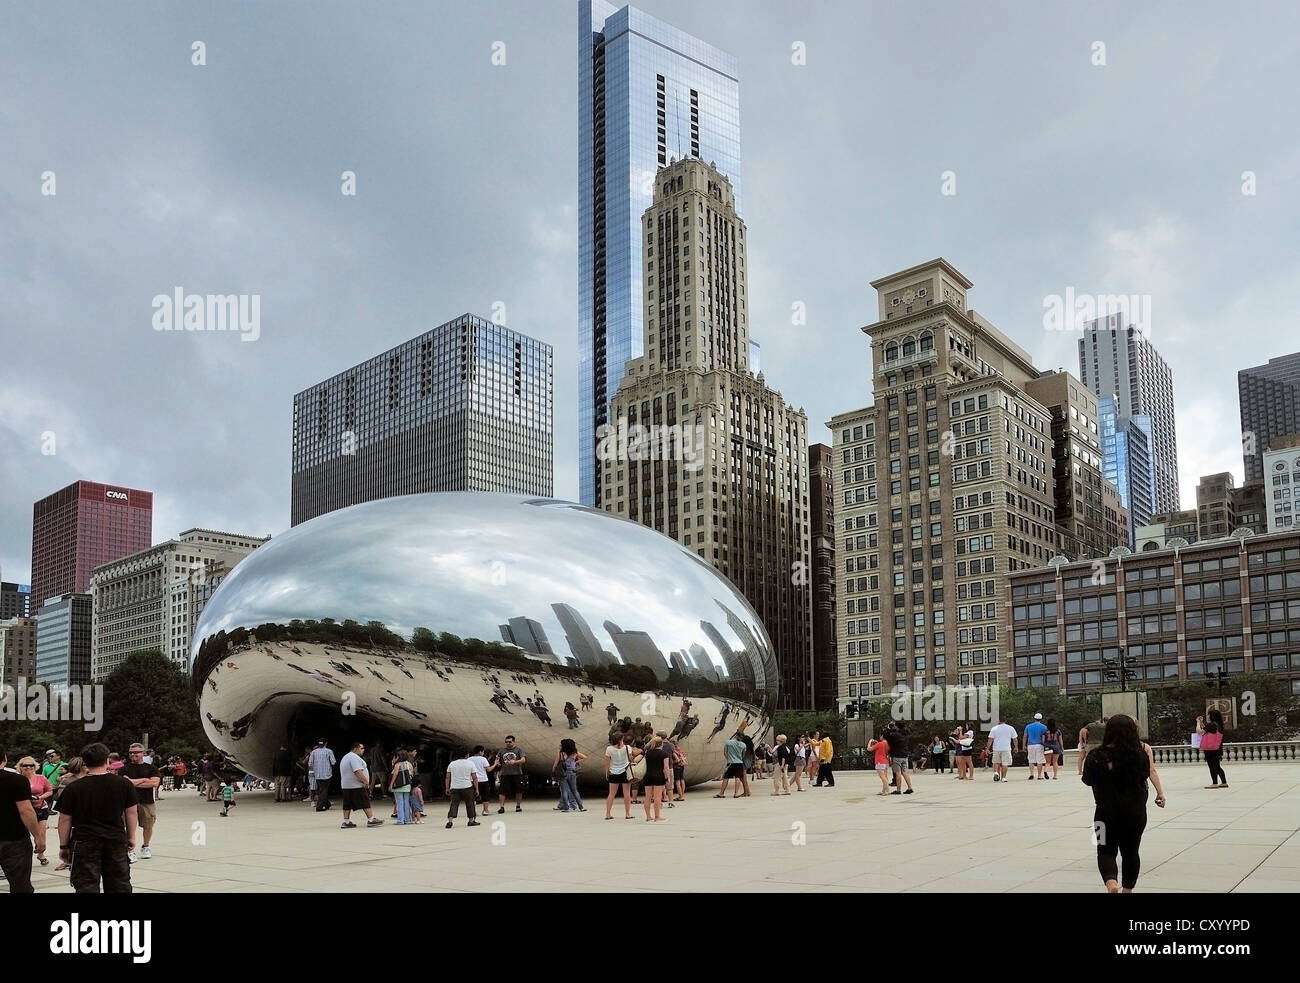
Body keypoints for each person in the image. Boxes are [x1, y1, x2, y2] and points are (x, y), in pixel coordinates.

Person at [1081, 715, 1167, 893]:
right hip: (1135, 813)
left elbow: (1088, 780)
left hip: (1104, 812)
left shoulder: (1095, 755)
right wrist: (1160, 793)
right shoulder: (1140, 755)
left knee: (1104, 851)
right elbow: (1146, 774)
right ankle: (1127, 890)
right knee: (1131, 852)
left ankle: (1111, 883)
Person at [54, 742, 138, 894]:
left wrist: (63, 845)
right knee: (119, 883)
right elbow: (131, 812)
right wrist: (131, 836)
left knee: (86, 884)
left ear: (85, 763)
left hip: (84, 840)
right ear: (107, 761)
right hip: (115, 838)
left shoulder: (74, 788)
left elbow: (65, 819)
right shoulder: (124, 784)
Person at [1, 746, 45, 892]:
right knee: (20, 885)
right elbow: (26, 810)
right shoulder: (17, 780)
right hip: (14, 839)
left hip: (13, 840)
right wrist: (38, 836)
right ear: (5, 759)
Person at [123, 743, 159, 862]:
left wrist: (132, 782)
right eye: (131, 752)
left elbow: (154, 783)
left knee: (148, 825)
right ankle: (130, 850)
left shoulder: (151, 768)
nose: (133, 754)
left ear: (143, 753)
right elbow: (124, 784)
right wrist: (143, 780)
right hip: (128, 802)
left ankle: (146, 846)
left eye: (136, 752)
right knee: (128, 827)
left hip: (147, 801)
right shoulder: (124, 769)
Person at [338, 741, 383, 828]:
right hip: (356, 785)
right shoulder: (354, 758)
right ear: (356, 749)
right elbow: (357, 771)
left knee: (347, 804)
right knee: (365, 802)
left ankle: (346, 821)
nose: (363, 750)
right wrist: (365, 782)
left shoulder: (346, 757)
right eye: (361, 748)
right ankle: (371, 819)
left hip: (346, 785)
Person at [17, 757, 53, 866]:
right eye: (25, 765)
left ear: (35, 766)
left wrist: (41, 797)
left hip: (40, 808)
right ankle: (23, 855)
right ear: (20, 767)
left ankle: (41, 853)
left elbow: (50, 790)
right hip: (24, 809)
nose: (28, 767)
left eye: (31, 765)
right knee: (23, 834)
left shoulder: (41, 778)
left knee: (41, 832)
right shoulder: (17, 779)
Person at [603, 733, 639, 820]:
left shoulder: (609, 749)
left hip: (613, 772)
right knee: (626, 794)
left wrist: (606, 773)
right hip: (625, 772)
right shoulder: (627, 747)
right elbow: (630, 759)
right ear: (622, 738)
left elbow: (607, 762)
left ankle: (608, 814)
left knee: (611, 794)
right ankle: (627, 814)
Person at [444, 748, 480, 828]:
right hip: (467, 786)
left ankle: (450, 821)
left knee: (454, 804)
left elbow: (447, 777)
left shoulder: (452, 764)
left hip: (455, 787)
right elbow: (474, 777)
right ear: (467, 755)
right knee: (470, 804)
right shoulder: (470, 764)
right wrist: (477, 789)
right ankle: (471, 820)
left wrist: (447, 788)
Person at [640, 735, 671, 822]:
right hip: (658, 776)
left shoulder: (648, 753)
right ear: (661, 744)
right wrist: (668, 777)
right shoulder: (664, 754)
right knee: (657, 797)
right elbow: (666, 767)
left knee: (647, 797)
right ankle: (657, 816)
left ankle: (648, 816)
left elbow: (645, 749)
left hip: (648, 776)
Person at [493, 736, 528, 813]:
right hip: (505, 773)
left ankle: (518, 806)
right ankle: (501, 807)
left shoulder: (519, 750)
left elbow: (523, 760)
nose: (508, 743)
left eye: (510, 742)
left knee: (519, 790)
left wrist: (515, 762)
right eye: (506, 742)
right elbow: (497, 758)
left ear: (514, 742)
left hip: (517, 773)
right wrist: (497, 763)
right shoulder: (502, 750)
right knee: (502, 790)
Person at [552, 739, 587, 812]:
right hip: (572, 773)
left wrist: (553, 769)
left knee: (564, 791)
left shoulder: (561, 753)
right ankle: (581, 807)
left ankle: (566, 808)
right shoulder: (575, 752)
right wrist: (575, 762)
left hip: (563, 773)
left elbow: (556, 762)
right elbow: (585, 757)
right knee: (575, 791)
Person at [390, 748, 417, 825]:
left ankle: (400, 820)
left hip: (398, 786)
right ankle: (407, 819)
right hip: (407, 786)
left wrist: (391, 784)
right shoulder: (409, 764)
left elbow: (395, 775)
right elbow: (411, 774)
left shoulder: (398, 765)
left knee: (399, 803)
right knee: (406, 802)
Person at [987, 716, 1017, 782]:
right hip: (1006, 748)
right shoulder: (1010, 728)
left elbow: (990, 739)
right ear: (1005, 720)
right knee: (1005, 763)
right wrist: (1016, 747)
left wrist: (987, 748)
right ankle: (1003, 778)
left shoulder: (994, 728)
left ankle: (996, 773)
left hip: (996, 748)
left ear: (998, 720)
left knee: (996, 762)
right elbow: (1014, 739)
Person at [309, 739, 336, 812]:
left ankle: (327, 804)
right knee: (323, 790)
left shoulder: (313, 752)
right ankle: (319, 807)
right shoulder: (329, 751)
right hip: (327, 774)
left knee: (321, 790)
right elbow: (333, 762)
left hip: (317, 774)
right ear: (326, 743)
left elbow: (310, 763)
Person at [1200, 719, 1228, 789]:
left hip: (1210, 749)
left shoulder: (1211, 724)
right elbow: (1206, 729)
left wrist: (1197, 723)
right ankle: (1224, 782)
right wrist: (1201, 723)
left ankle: (1214, 783)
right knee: (1217, 766)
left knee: (1212, 766)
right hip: (1217, 748)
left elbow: (1200, 731)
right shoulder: (1218, 724)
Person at [887, 725, 913, 794]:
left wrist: (891, 730)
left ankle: (898, 790)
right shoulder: (906, 736)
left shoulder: (895, 735)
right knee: (904, 772)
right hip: (904, 756)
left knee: (898, 772)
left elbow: (889, 741)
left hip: (896, 756)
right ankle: (910, 788)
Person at [1023, 713, 1048, 781]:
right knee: (1039, 760)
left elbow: (1025, 736)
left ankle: (1031, 774)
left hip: (1030, 745)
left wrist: (1024, 745)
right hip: (1039, 745)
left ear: (1034, 718)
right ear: (1041, 719)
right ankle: (1039, 775)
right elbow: (1045, 737)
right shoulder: (1044, 727)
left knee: (1031, 760)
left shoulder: (1028, 726)